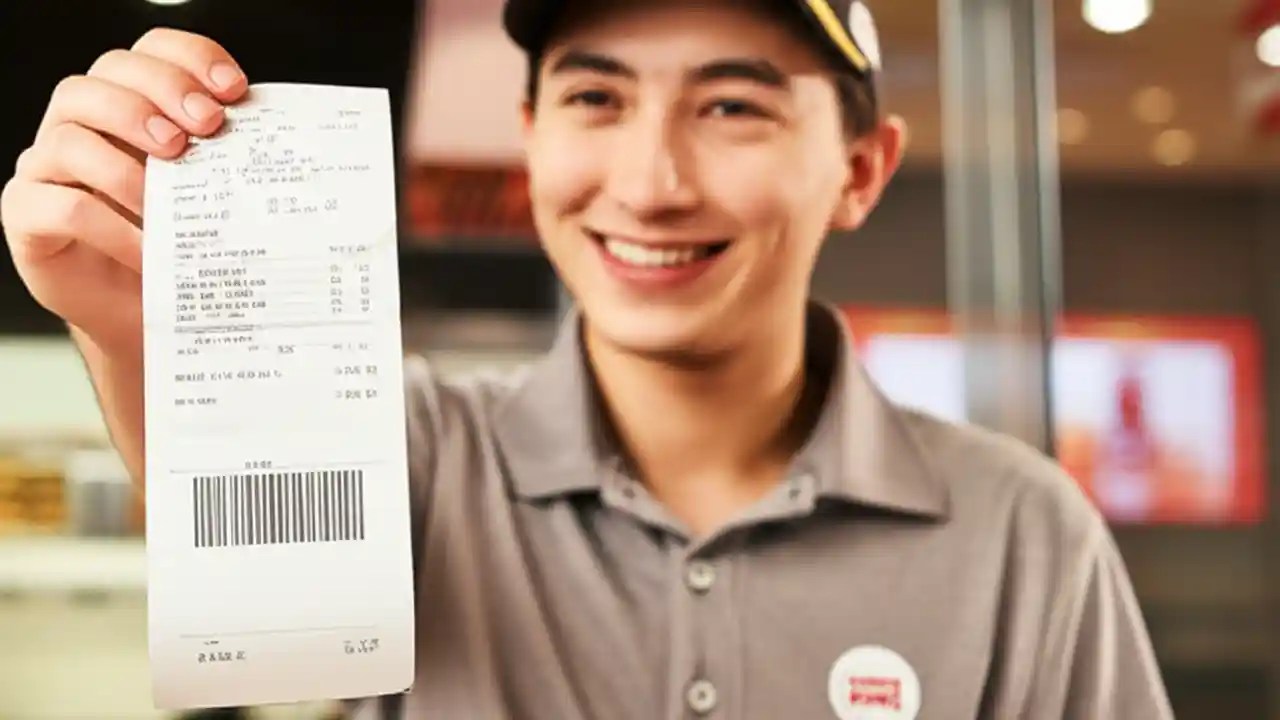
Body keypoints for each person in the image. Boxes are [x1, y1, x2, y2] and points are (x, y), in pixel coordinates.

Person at [1, 0, 1175, 717]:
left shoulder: (1020, 534)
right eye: (595, 98)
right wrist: (127, 323)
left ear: (860, 168)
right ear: (530, 141)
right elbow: (246, 573)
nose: (651, 185)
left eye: (731, 108)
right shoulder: (412, 457)